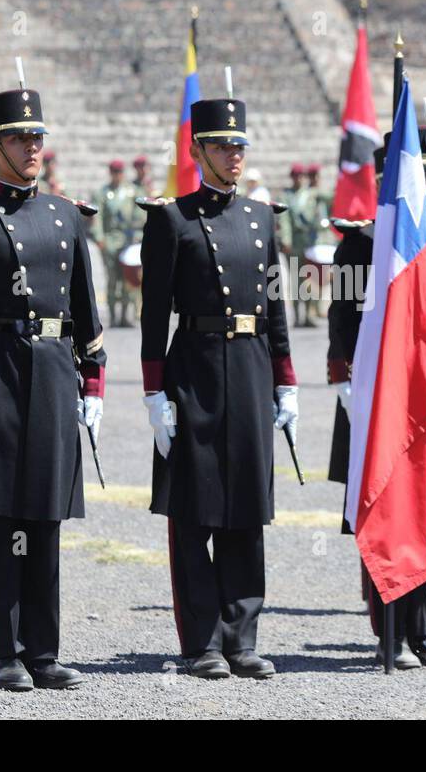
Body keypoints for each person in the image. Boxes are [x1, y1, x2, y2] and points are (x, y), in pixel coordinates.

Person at [0, 84, 107, 691]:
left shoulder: (63, 215)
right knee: (0, 515)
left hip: (55, 371)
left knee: (46, 515)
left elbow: (86, 307)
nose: (32, 147)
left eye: (37, 137)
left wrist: (96, 382)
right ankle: (2, 652)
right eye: (19, 138)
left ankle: (45, 650)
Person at [138, 96, 297, 680]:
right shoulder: (172, 220)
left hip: (252, 366)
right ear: (197, 150)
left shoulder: (261, 218)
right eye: (223, 146)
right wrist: (155, 392)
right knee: (195, 509)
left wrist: (287, 382)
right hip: (195, 369)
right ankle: (201, 641)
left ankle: (242, 636)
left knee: (245, 509)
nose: (234, 155)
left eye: (240, 146)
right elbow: (155, 315)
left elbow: (276, 304)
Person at [327, 127, 426, 670]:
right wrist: (346, 382)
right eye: (424, 172)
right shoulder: (365, 242)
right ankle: (388, 632)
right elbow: (343, 322)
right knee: (386, 505)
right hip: (383, 391)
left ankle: (421, 631)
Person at [95, 159, 143, 327]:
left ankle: (125, 315)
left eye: (120, 172)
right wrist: (100, 238)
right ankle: (114, 316)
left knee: (127, 280)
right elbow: (97, 218)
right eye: (115, 172)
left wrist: (137, 234)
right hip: (110, 240)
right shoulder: (103, 193)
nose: (118, 175)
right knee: (113, 279)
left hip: (128, 241)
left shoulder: (132, 191)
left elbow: (140, 213)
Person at [278, 163, 324, 327]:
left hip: (310, 243)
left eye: (301, 176)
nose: (298, 179)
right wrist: (286, 240)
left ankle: (310, 314)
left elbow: (327, 200)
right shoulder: (286, 196)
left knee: (311, 278)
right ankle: (298, 315)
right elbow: (284, 220)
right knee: (296, 280)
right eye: (295, 176)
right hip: (295, 243)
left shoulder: (311, 194)